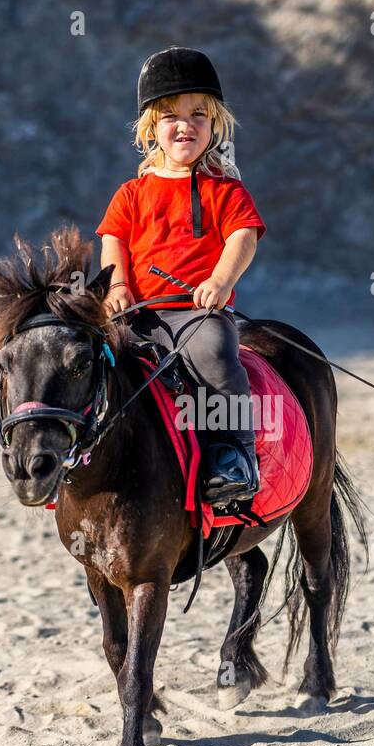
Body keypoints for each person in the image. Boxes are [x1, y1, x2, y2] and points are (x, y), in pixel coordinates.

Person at [96, 46, 267, 505]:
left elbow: (244, 237)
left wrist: (221, 282)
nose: (184, 125)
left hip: (196, 314)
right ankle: (82, 454)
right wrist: (117, 285)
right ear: (151, 129)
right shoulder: (132, 193)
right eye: (170, 115)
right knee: (90, 361)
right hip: (137, 313)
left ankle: (234, 455)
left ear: (215, 125)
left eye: (198, 115)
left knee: (214, 354)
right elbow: (113, 240)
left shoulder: (224, 189)